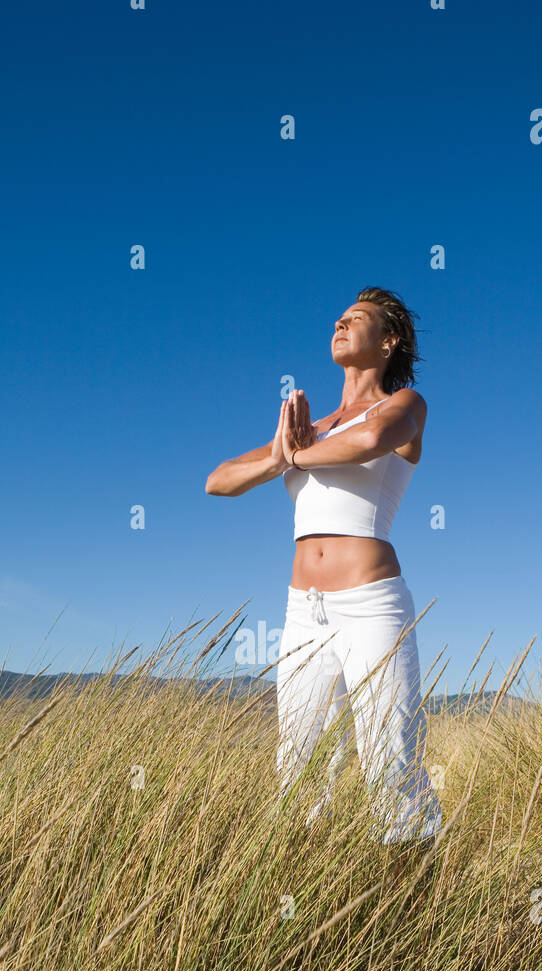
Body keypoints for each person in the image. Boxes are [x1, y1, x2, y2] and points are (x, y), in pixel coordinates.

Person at [205, 286, 441, 844]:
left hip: (370, 604)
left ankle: (419, 912)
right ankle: (312, 902)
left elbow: (371, 441)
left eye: (355, 319)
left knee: (390, 763)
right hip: (302, 612)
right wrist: (281, 452)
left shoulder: (404, 406)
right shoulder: (308, 429)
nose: (339, 323)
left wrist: (295, 454)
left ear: (388, 340)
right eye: (337, 317)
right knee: (300, 768)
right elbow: (218, 481)